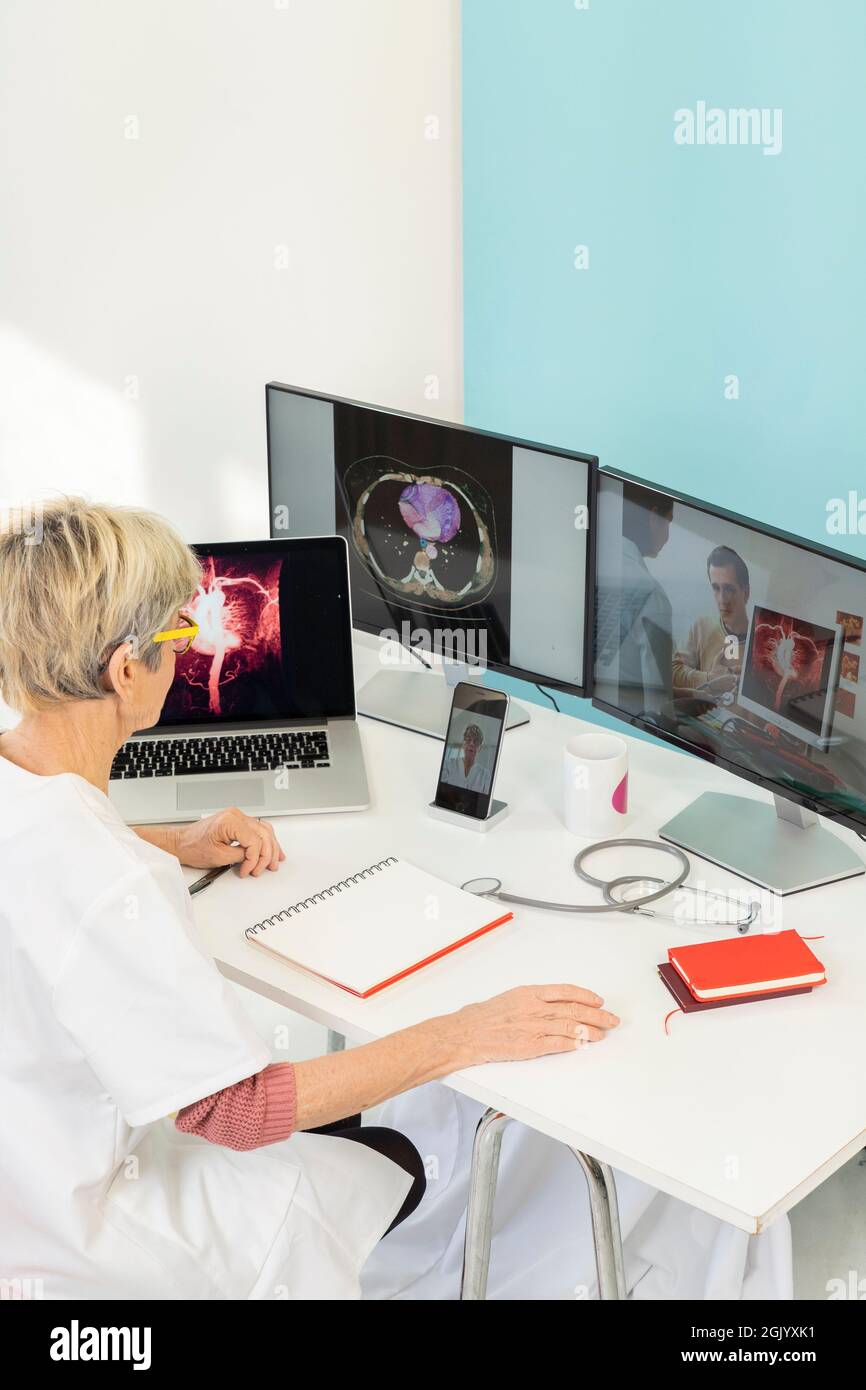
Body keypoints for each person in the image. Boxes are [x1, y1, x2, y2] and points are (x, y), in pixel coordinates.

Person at [0, 498, 619, 1301]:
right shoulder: (113, 881)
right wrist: (463, 1033)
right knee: (392, 1159)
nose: (185, 652)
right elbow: (236, 1113)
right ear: (125, 672)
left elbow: (45, 845)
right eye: (178, 635)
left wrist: (174, 840)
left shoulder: (44, 802)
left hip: (22, 1187)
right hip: (85, 1242)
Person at [672, 546, 751, 697]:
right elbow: (673, 673)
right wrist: (709, 679)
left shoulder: (761, 647)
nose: (722, 599)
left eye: (729, 589)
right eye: (716, 588)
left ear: (745, 592)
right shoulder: (701, 628)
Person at [441, 721, 491, 794]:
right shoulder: (447, 764)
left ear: (479, 748)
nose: (471, 744)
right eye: (468, 739)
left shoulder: (485, 775)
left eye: (476, 741)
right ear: (463, 744)